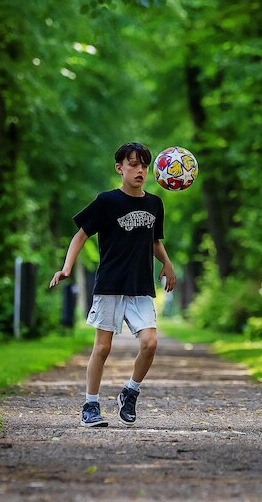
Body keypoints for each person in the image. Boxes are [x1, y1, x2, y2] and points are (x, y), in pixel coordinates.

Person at [49, 142, 177, 428]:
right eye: (133, 164)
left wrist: (167, 264)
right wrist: (67, 267)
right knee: (103, 348)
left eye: (144, 165)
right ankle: (90, 405)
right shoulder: (107, 201)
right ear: (120, 168)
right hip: (109, 284)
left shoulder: (155, 203)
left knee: (150, 342)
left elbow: (154, 241)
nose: (139, 170)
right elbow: (80, 235)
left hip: (141, 286)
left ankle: (130, 392)